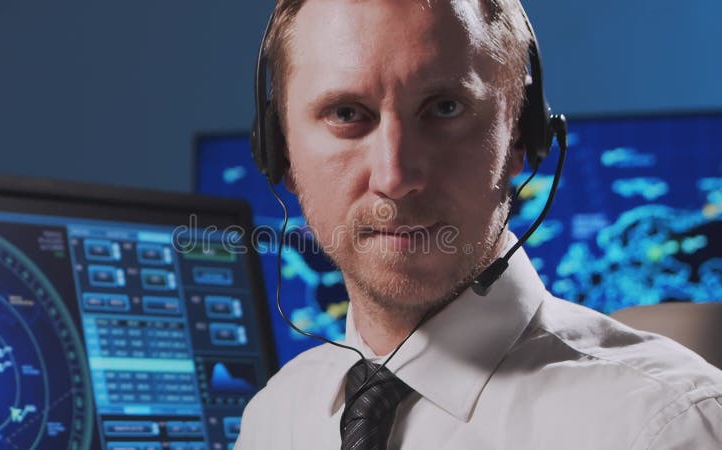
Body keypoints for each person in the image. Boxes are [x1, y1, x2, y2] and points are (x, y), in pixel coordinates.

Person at [236, 0, 722, 448]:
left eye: (445, 108)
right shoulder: (274, 418)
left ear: (520, 138)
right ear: (279, 154)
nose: (396, 177)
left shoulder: (669, 428)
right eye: (346, 114)